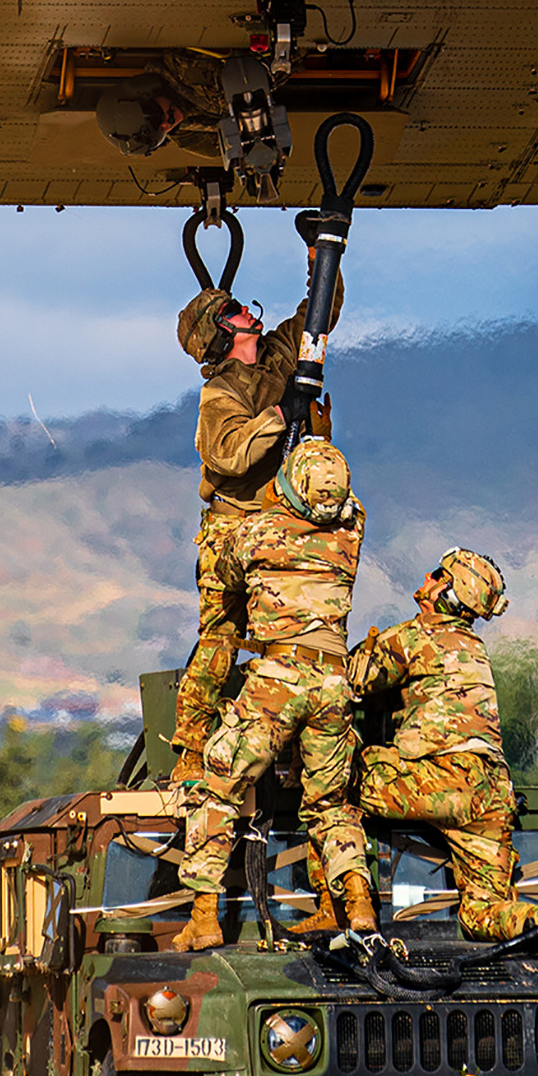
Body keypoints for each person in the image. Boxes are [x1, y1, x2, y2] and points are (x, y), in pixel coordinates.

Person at [174, 437, 374, 948]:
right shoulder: (353, 531)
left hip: (280, 678)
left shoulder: (258, 532)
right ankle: (360, 907)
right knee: (331, 806)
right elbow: (339, 502)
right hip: (334, 685)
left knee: (219, 780)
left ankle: (202, 917)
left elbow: (227, 575)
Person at [350, 550, 538, 944]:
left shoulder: (419, 635)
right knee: (484, 914)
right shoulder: (475, 649)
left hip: (439, 779)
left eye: (437, 575)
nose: (426, 577)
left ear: (448, 592)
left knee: (334, 773)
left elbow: (352, 681)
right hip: (492, 793)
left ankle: (340, 899)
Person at [168, 263, 340, 785]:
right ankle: (192, 753)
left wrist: (320, 260)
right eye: (235, 311)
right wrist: (282, 414)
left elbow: (321, 316)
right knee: (220, 641)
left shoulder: (278, 357)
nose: (249, 312)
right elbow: (229, 455)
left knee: (287, 646)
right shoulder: (221, 393)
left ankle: (286, 761)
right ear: (223, 330)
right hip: (234, 532)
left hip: (281, 529)